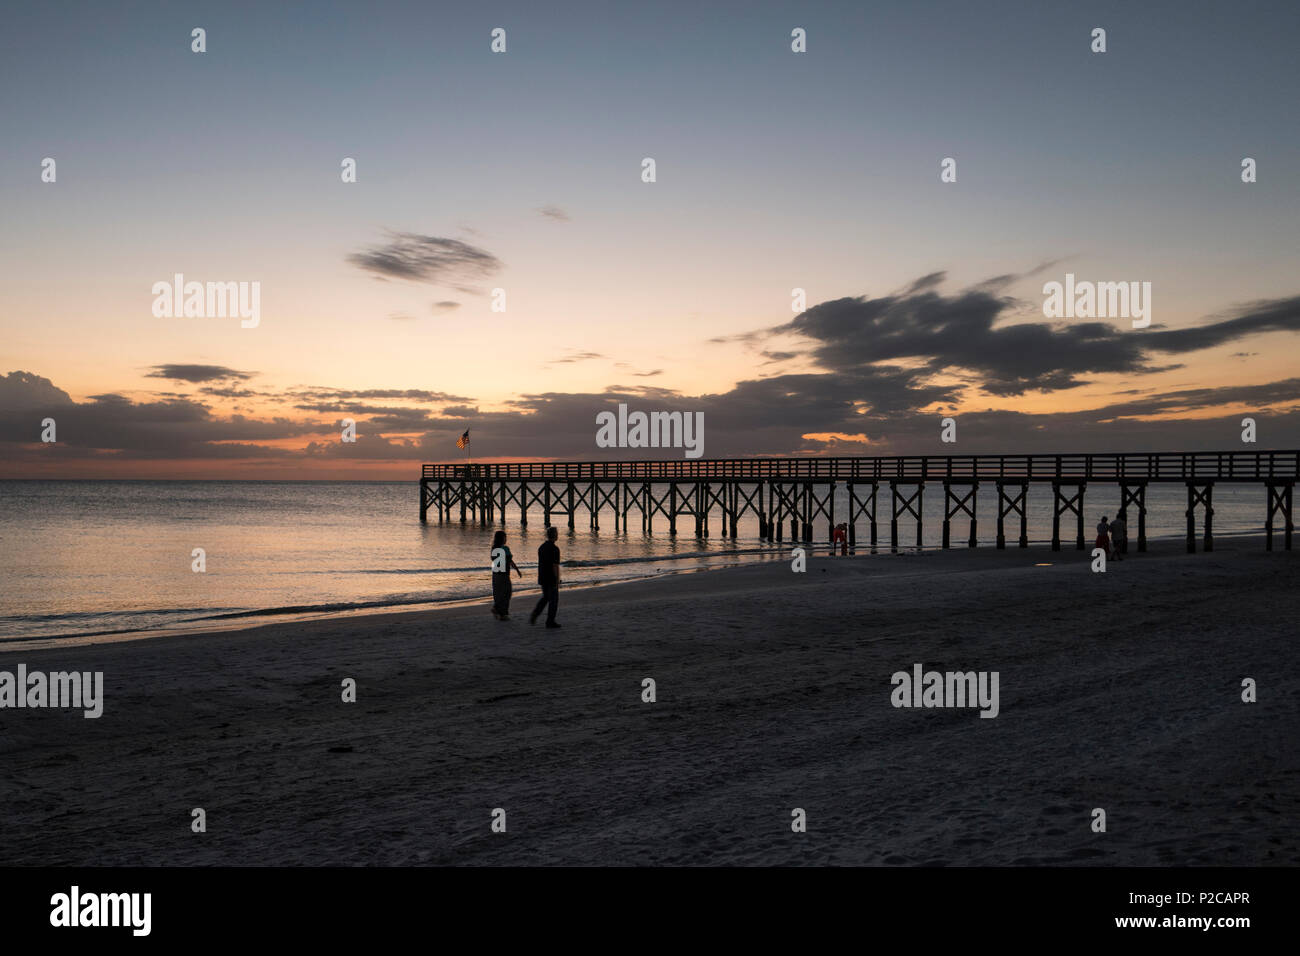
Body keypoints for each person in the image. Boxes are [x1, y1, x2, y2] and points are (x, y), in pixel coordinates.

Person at [530, 526, 562, 628]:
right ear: (555, 535)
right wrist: (557, 579)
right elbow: (555, 565)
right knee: (554, 599)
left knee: (546, 597)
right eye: (557, 533)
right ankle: (550, 621)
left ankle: (535, 613)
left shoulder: (542, 547)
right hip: (551, 577)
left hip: (542, 576)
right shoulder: (555, 549)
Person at [489, 530, 522, 619]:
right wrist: (517, 570)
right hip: (504, 574)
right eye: (505, 537)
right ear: (502, 538)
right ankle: (501, 612)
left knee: (498, 593)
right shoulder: (505, 549)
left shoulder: (493, 548)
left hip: (495, 574)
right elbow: (510, 561)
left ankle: (498, 611)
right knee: (507, 593)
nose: (506, 539)